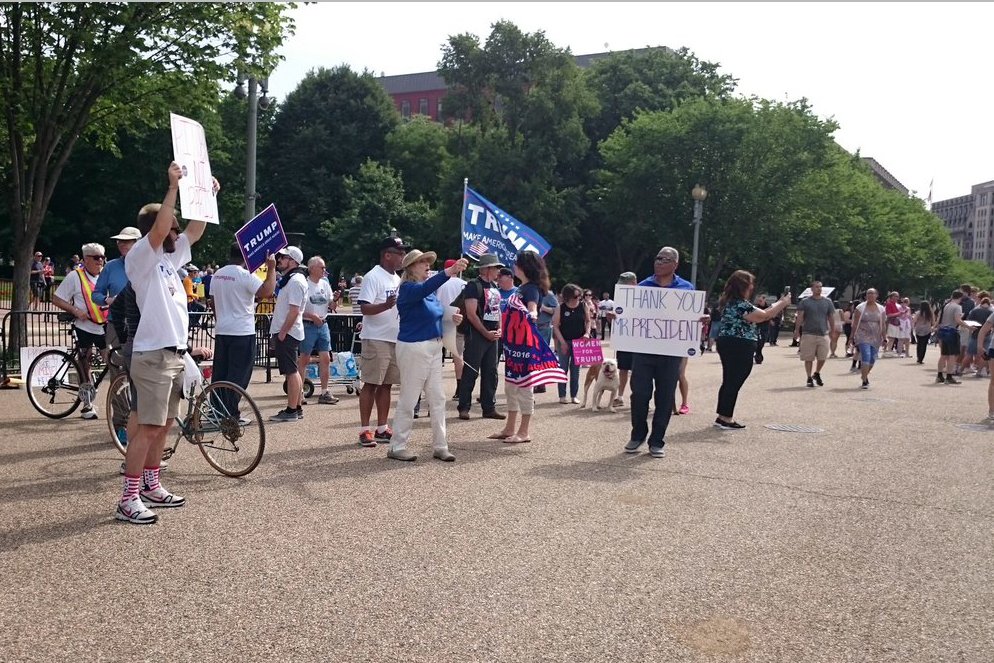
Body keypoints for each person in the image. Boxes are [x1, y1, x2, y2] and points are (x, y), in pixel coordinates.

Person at [117, 162, 215, 524]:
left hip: (172, 354)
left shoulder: (169, 262)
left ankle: (151, 485)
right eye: (172, 226)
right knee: (148, 427)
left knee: (164, 424)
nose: (177, 231)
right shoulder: (141, 257)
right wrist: (173, 187)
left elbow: (195, 231)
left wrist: (206, 197)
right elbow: (161, 229)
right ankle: (128, 498)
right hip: (153, 354)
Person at [386, 251, 468, 462]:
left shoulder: (426, 291)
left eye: (427, 262)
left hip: (432, 347)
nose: (427, 265)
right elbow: (424, 292)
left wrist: (451, 318)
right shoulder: (408, 288)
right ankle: (397, 445)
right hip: (415, 347)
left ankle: (441, 445)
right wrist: (449, 271)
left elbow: (433, 313)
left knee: (437, 398)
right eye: (422, 262)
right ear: (411, 267)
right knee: (409, 397)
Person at [624, 246, 703, 458]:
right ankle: (638, 434)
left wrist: (700, 320)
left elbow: (690, 317)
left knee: (665, 396)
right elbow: (630, 315)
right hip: (643, 351)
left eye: (664, 259)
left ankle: (657, 440)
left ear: (675, 264)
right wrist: (619, 316)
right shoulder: (643, 287)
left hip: (671, 352)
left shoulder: (686, 289)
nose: (658, 262)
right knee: (639, 394)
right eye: (657, 258)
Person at [489, 251, 564, 444]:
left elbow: (532, 308)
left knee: (524, 386)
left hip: (524, 345)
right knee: (511, 386)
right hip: (513, 344)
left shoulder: (531, 289)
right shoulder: (521, 288)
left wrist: (532, 314)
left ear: (524, 267)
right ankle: (509, 427)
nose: (514, 266)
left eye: (517, 263)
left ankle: (524, 431)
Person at [714, 270, 792, 429]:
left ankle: (723, 415)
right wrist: (782, 303)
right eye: (750, 284)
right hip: (739, 344)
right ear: (743, 285)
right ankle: (726, 417)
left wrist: (779, 302)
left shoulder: (730, 302)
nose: (752, 287)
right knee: (735, 380)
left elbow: (762, 313)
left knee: (729, 380)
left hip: (727, 342)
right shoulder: (741, 304)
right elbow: (764, 315)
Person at [210, 243, 277, 415]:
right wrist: (271, 268)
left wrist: (220, 319)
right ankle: (230, 412)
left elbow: (212, 301)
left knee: (220, 373)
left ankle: (216, 410)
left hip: (223, 329)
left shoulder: (217, 274)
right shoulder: (245, 275)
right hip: (242, 331)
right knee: (239, 375)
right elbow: (267, 291)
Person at [357, 236, 407, 445]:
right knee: (370, 384)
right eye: (399, 253)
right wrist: (385, 305)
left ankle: (382, 427)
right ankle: (364, 430)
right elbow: (364, 307)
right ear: (387, 255)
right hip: (376, 338)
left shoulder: (398, 278)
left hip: (394, 338)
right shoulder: (373, 276)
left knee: (386, 385)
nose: (403, 257)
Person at [52, 242, 108, 420]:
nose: (100, 261)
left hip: (104, 325)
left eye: (102, 257)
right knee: (85, 364)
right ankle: (87, 404)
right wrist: (75, 311)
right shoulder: (75, 276)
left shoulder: (106, 275)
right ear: (85, 259)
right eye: (96, 257)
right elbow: (56, 299)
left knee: (113, 362)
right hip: (84, 327)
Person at [456, 253, 506, 421]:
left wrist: (499, 329)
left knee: (491, 372)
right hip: (477, 335)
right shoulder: (473, 285)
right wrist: (485, 333)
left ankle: (489, 407)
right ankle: (464, 407)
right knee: (471, 371)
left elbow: (497, 310)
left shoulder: (494, 286)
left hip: (493, 336)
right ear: (487, 269)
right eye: (496, 268)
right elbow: (471, 314)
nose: (498, 271)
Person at [268, 246, 308, 422]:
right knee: (292, 371)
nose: (279, 260)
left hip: (288, 331)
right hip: (288, 330)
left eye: (283, 257)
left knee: (291, 372)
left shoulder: (295, 281)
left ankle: (292, 410)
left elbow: (294, 311)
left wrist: (283, 332)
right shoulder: (292, 279)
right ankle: (295, 407)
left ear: (293, 261)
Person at [297, 255, 339, 406]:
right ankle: (299, 392)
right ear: (312, 268)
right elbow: (297, 307)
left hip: (323, 324)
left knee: (325, 358)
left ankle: (325, 391)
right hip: (308, 324)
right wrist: (312, 316)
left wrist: (335, 300)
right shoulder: (304, 284)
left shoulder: (325, 283)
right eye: (322, 267)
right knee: (304, 358)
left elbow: (331, 305)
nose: (324, 270)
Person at [92, 226, 141, 353]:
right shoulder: (110, 266)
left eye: (127, 241)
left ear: (138, 243)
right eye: (119, 241)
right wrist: (107, 300)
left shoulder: (149, 265)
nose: (121, 244)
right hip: (116, 323)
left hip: (143, 324)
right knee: (116, 360)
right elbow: (96, 294)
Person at [552, 283, 589, 404]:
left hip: (579, 342)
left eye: (579, 296)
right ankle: (562, 395)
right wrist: (562, 342)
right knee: (563, 368)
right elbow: (555, 326)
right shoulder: (560, 308)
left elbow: (588, 321)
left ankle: (574, 395)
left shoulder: (583, 306)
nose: (577, 299)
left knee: (575, 370)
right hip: (564, 340)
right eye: (575, 297)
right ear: (567, 296)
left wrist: (587, 333)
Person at [435, 258, 467, 397]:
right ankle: (460, 388)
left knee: (435, 356)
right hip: (457, 319)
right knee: (458, 356)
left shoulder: (439, 282)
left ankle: (434, 386)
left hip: (441, 319)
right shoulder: (464, 284)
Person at [793, 281, 835, 388]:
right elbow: (800, 317)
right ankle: (809, 377)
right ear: (811, 289)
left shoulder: (827, 302)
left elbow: (831, 317)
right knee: (809, 357)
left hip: (823, 333)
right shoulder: (805, 302)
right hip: (808, 333)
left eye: (820, 287)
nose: (819, 289)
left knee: (823, 356)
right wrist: (797, 330)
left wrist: (833, 330)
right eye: (816, 287)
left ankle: (817, 373)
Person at [850, 288, 887, 389]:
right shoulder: (860, 308)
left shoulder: (881, 309)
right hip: (862, 335)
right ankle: (864, 381)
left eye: (872, 293)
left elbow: (883, 324)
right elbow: (855, 323)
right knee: (866, 355)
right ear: (866, 296)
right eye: (868, 293)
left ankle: (864, 375)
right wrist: (852, 336)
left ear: (876, 295)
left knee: (872, 359)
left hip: (876, 336)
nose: (870, 295)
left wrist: (884, 338)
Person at [613, 271, 637, 407]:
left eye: (625, 284)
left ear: (634, 283)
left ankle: (637, 397)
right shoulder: (620, 299)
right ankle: (620, 396)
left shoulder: (643, 298)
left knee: (638, 370)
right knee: (623, 368)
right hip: (624, 339)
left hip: (639, 341)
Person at [534, 275, 560, 395]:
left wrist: (543, 308)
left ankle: (541, 383)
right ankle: (535, 382)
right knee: (532, 355)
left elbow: (556, 310)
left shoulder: (548, 295)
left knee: (540, 355)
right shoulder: (530, 292)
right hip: (532, 327)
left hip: (544, 327)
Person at [935, 290, 965, 384]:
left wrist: (935, 327)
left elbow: (939, 319)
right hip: (952, 331)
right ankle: (949, 376)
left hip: (943, 331)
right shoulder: (958, 307)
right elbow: (958, 320)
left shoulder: (945, 306)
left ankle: (939, 375)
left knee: (943, 355)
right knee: (953, 355)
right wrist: (968, 326)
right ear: (960, 298)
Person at [912, 300, 935, 365]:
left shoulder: (918, 313)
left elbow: (914, 321)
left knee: (919, 344)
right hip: (927, 330)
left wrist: (913, 328)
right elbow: (933, 322)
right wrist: (933, 327)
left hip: (918, 329)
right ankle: (921, 358)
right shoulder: (930, 313)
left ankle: (918, 357)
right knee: (924, 345)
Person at [753, 294, 770, 364]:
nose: (759, 302)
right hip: (758, 327)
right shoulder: (756, 308)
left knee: (763, 341)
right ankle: (758, 356)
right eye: (758, 300)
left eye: (761, 300)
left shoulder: (768, 307)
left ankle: (758, 353)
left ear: (764, 300)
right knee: (759, 342)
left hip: (765, 327)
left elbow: (770, 315)